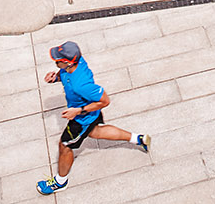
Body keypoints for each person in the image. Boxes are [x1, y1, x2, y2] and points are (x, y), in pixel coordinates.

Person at [36, 41, 149, 195]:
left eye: (58, 60)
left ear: (67, 62)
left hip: (82, 119)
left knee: (65, 146)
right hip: (90, 116)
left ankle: (60, 182)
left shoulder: (82, 85)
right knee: (96, 132)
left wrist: (78, 111)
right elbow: (67, 74)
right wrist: (55, 78)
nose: (55, 61)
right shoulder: (74, 63)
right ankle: (138, 139)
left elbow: (105, 101)